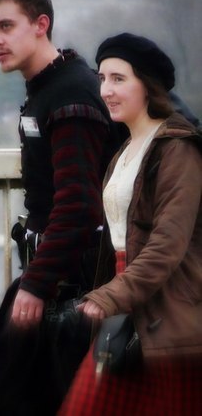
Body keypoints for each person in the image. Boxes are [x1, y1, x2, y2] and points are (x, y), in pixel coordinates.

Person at [0, 0, 124, 415]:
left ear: (40, 25)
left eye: (6, 26)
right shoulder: (50, 87)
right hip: (57, 275)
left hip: (76, 285)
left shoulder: (71, 94)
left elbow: (79, 207)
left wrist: (36, 286)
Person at [59, 33, 202, 415]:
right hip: (127, 307)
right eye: (102, 78)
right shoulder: (124, 152)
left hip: (171, 316)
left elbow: (167, 245)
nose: (105, 90)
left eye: (119, 79)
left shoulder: (178, 150)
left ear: (148, 86)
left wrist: (106, 298)